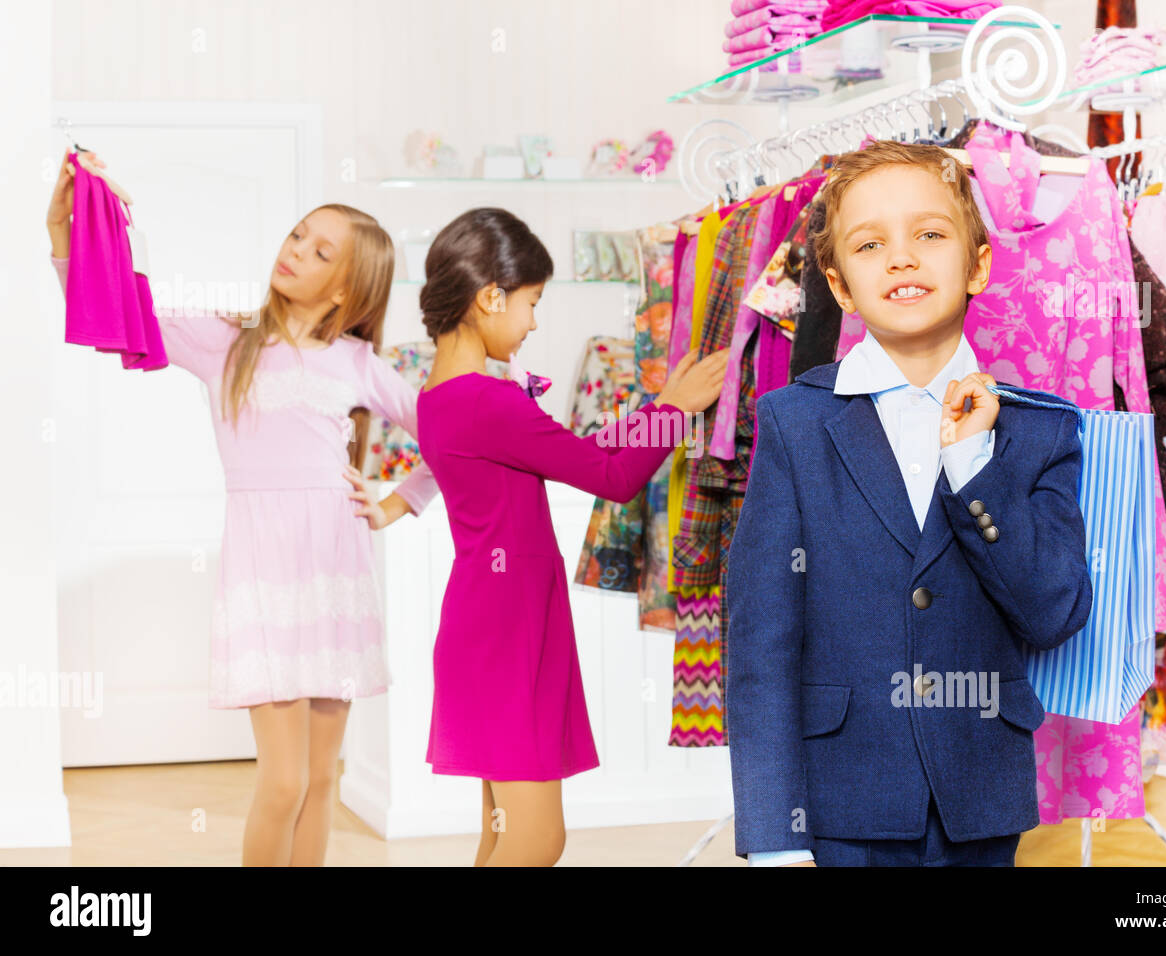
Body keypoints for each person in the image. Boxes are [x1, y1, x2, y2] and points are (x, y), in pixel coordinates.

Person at [46, 150, 437, 866]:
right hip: (263, 584)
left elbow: (449, 438)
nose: (294, 251)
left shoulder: (358, 363)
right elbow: (110, 312)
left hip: (334, 579)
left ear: (347, 291)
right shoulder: (224, 341)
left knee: (322, 779)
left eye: (320, 251)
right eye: (297, 235)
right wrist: (67, 228)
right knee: (283, 782)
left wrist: (395, 503)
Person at [726, 141, 1093, 867]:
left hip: (980, 793)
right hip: (840, 801)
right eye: (871, 244)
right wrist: (775, 835)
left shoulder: (1042, 429)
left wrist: (972, 466)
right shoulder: (794, 424)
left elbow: (1053, 612)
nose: (902, 258)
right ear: (838, 284)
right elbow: (761, 646)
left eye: (929, 234)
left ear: (978, 264)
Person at [415, 207, 728, 866]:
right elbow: (609, 475)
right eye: (531, 303)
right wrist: (674, 412)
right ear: (488, 298)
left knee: (501, 832)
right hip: (509, 629)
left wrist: (658, 408)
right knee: (535, 839)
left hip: (489, 619)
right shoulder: (488, 400)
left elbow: (576, 454)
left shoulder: (441, 395)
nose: (532, 322)